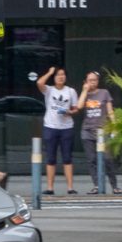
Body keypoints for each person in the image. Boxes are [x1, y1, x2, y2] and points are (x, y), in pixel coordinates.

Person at [77, 71, 122, 195]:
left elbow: (110, 111)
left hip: (102, 130)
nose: (92, 82)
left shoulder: (104, 93)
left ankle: (115, 185)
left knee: (108, 159)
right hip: (87, 130)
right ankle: (96, 185)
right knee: (91, 160)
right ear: (85, 82)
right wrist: (84, 91)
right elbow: (79, 106)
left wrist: (114, 126)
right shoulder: (84, 94)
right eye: (90, 80)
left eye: (95, 80)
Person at [36, 66, 78, 195]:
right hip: (50, 127)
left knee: (67, 158)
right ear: (54, 78)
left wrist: (69, 112)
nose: (61, 77)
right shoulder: (49, 90)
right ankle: (50, 188)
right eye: (58, 75)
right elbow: (39, 83)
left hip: (67, 127)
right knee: (50, 158)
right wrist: (49, 72)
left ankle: (70, 188)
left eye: (63, 74)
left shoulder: (71, 91)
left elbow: (75, 109)